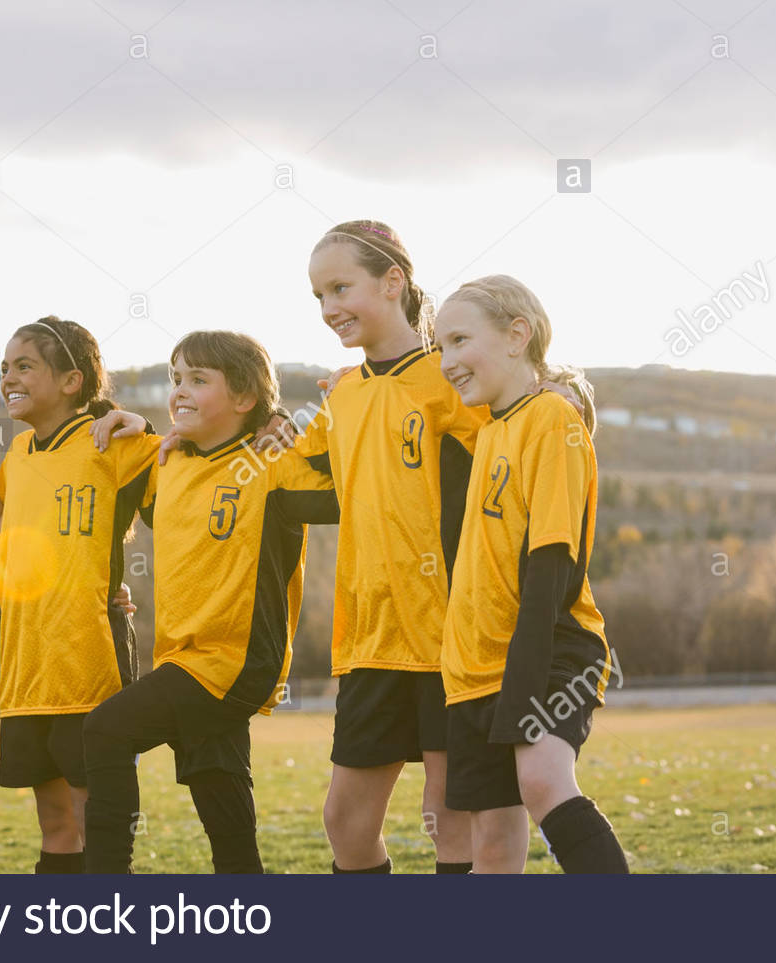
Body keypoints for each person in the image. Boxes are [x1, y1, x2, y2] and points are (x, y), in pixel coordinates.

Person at [82, 331, 337, 873]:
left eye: (199, 379)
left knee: (105, 730)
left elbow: (353, 478)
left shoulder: (273, 463)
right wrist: (145, 428)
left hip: (234, 662)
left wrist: (285, 417)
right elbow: (136, 465)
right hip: (182, 659)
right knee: (220, 799)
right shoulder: (168, 463)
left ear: (244, 398)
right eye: (176, 379)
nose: (180, 390)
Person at [298, 220, 482, 873]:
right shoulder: (341, 393)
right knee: (345, 820)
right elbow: (289, 474)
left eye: (341, 287)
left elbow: (522, 439)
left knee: (448, 816)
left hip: (448, 635)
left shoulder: (449, 377)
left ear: (394, 280)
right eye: (318, 295)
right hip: (371, 637)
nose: (328, 309)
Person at [435, 275, 629, 874]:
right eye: (440, 347)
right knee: (490, 839)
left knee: (544, 782)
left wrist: (524, 678)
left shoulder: (551, 419)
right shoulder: (490, 427)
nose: (446, 362)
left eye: (460, 340)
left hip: (547, 644)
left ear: (518, 334)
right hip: (472, 666)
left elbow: (552, 561)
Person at [0, 315, 156, 873]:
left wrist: (146, 423)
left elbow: (188, 477)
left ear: (71, 381)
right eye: (5, 367)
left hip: (89, 658)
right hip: (26, 668)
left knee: (96, 822)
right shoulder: (15, 455)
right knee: (55, 824)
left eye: (25, 366)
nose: (9, 377)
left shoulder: (113, 442)